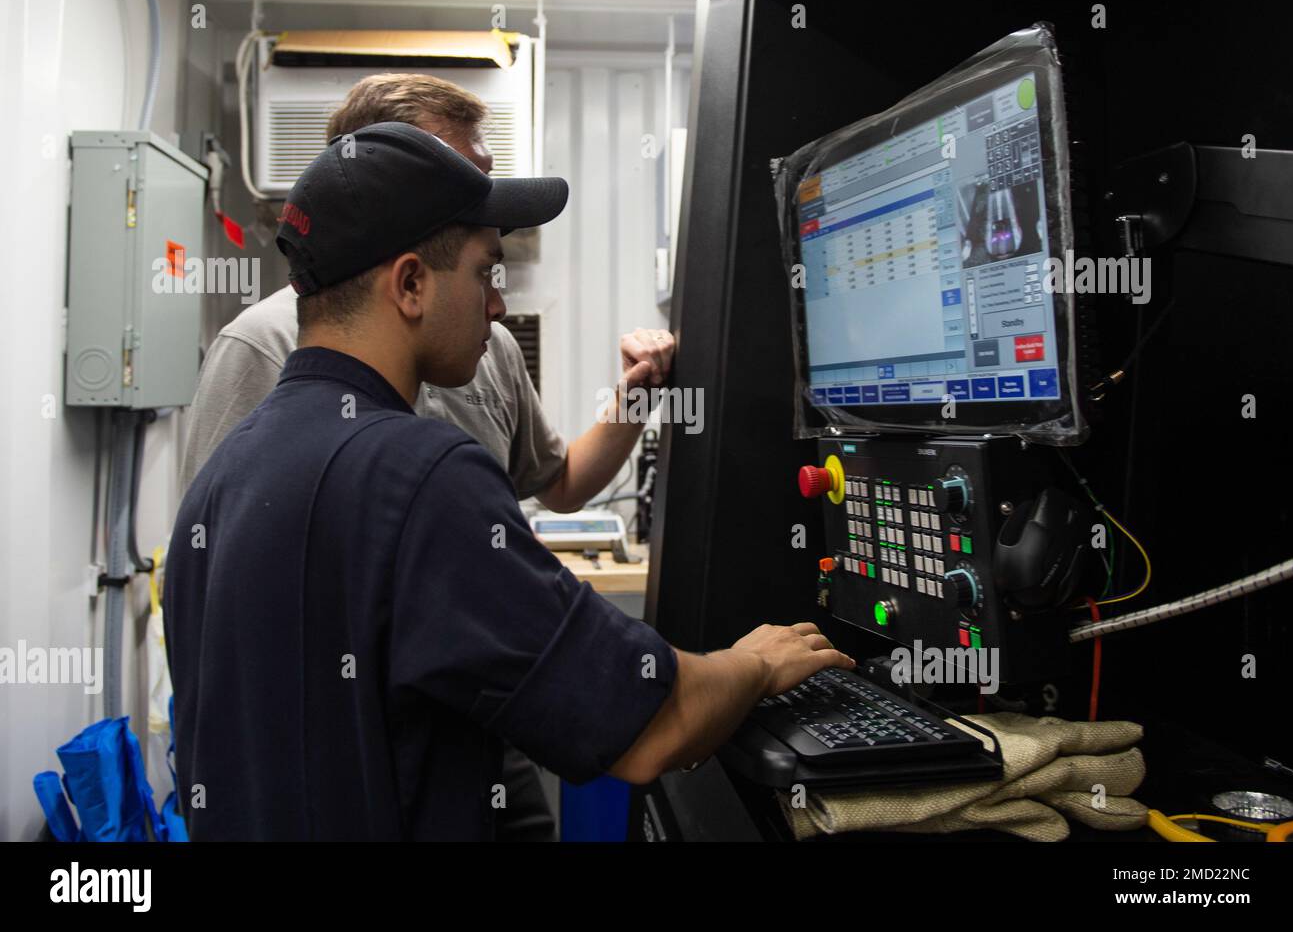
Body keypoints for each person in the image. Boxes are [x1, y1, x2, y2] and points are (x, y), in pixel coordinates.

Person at [163, 122, 853, 840]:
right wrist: (751, 664)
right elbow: (653, 723)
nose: (497, 306)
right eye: (486, 271)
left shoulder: (220, 480)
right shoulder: (421, 476)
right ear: (409, 284)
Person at [178, 74, 673, 840]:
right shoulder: (265, 346)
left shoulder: (487, 344)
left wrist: (636, 400)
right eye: (460, 171)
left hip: (472, 717)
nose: (481, 193)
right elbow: (220, 574)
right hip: (332, 745)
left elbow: (559, 481)